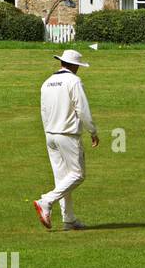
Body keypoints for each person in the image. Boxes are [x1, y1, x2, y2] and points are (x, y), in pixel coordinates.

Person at [33, 49, 97, 231]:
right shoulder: (73, 81)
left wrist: (48, 132)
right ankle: (46, 201)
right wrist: (92, 130)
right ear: (75, 65)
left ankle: (69, 220)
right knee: (77, 175)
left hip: (50, 134)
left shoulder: (47, 82)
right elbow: (82, 108)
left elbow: (43, 110)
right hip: (67, 134)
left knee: (62, 178)